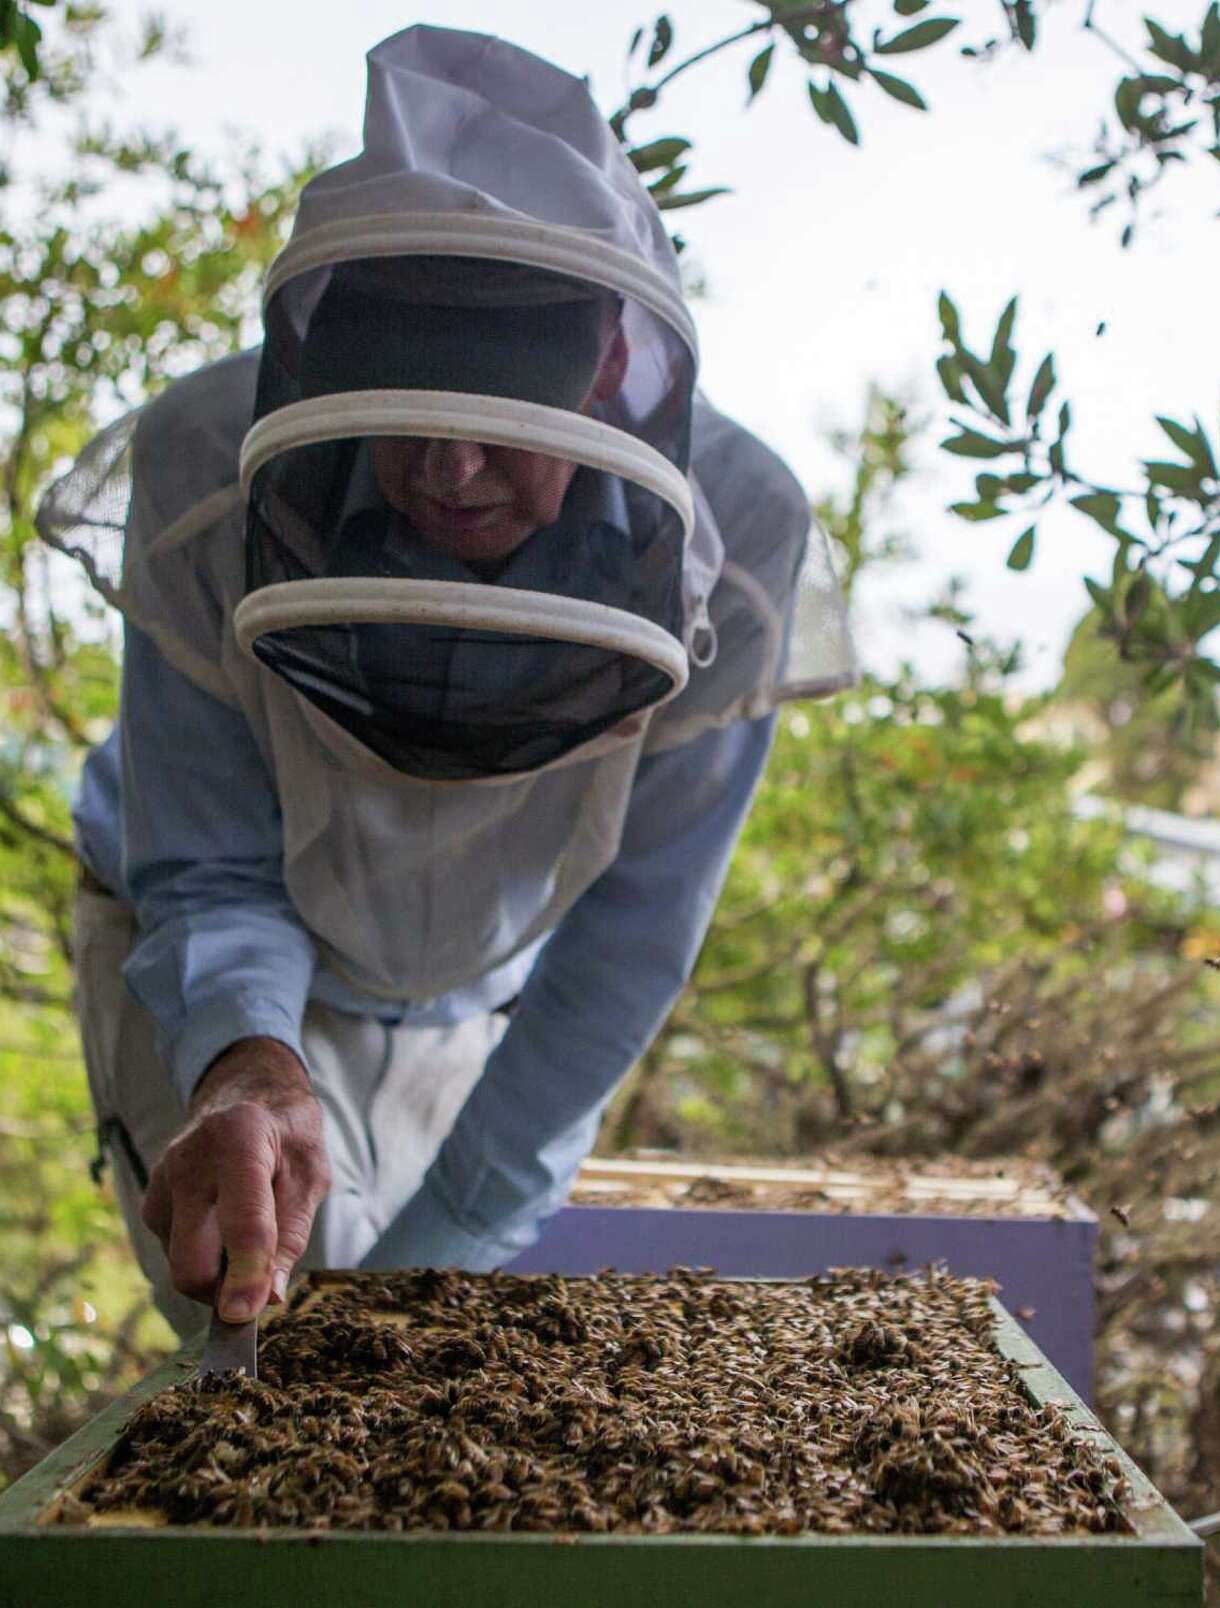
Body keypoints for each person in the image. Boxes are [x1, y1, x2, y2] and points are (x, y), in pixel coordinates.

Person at [51, 24, 853, 1337]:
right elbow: (206, 861)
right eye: (404, 410)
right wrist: (243, 1065)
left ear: (605, 363)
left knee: (410, 1338)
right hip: (197, 957)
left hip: (472, 995)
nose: (447, 471)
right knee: (243, 1334)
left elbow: (638, 923)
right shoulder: (207, 466)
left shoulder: (739, 540)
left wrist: (456, 1235)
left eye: (494, 419)